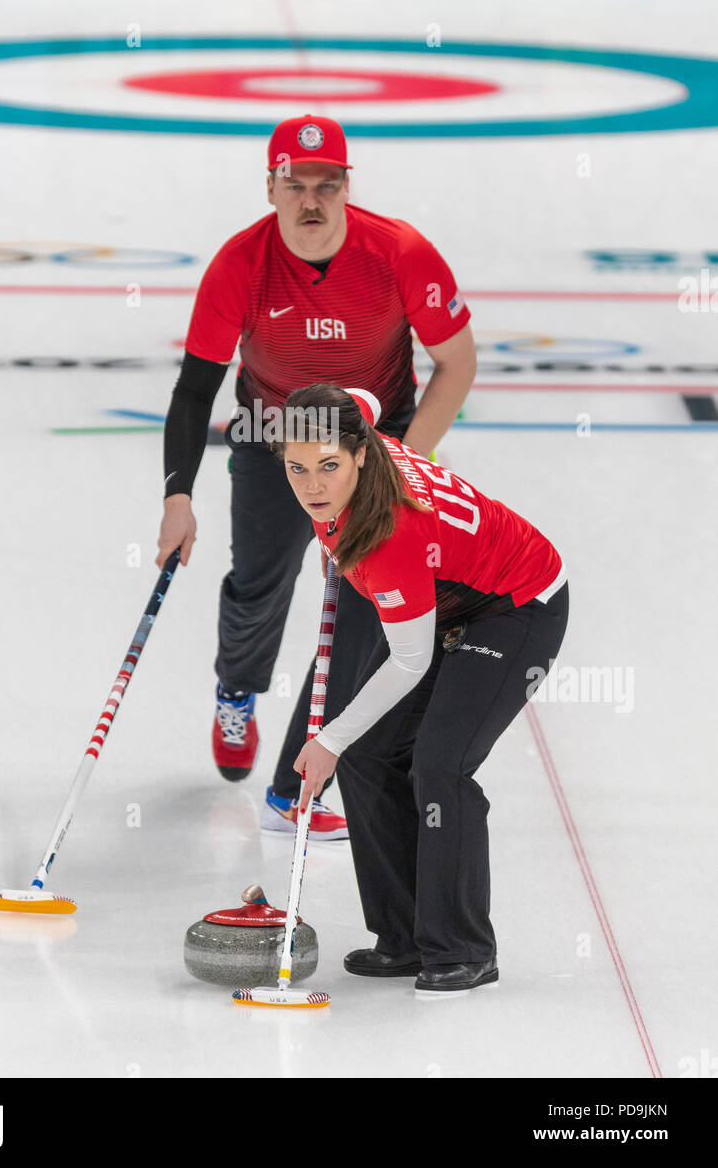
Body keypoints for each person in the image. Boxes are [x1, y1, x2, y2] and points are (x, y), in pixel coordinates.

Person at [156, 113, 476, 839]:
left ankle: (290, 787)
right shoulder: (239, 264)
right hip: (274, 438)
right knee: (260, 583)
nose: (310, 201)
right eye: (293, 184)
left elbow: (457, 363)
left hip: (373, 441)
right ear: (271, 189)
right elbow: (192, 390)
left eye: (326, 185)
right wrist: (178, 497)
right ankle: (237, 689)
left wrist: (403, 460)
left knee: (368, 608)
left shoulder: (400, 253)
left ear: (345, 187)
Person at [280, 384, 569, 992]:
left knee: (440, 765)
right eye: (297, 467)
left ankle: (464, 947)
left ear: (361, 455)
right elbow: (361, 396)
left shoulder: (389, 535)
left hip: (516, 607)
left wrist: (328, 739)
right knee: (369, 755)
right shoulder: (354, 429)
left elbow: (409, 662)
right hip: (442, 599)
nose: (312, 486)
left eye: (329, 466)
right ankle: (404, 936)